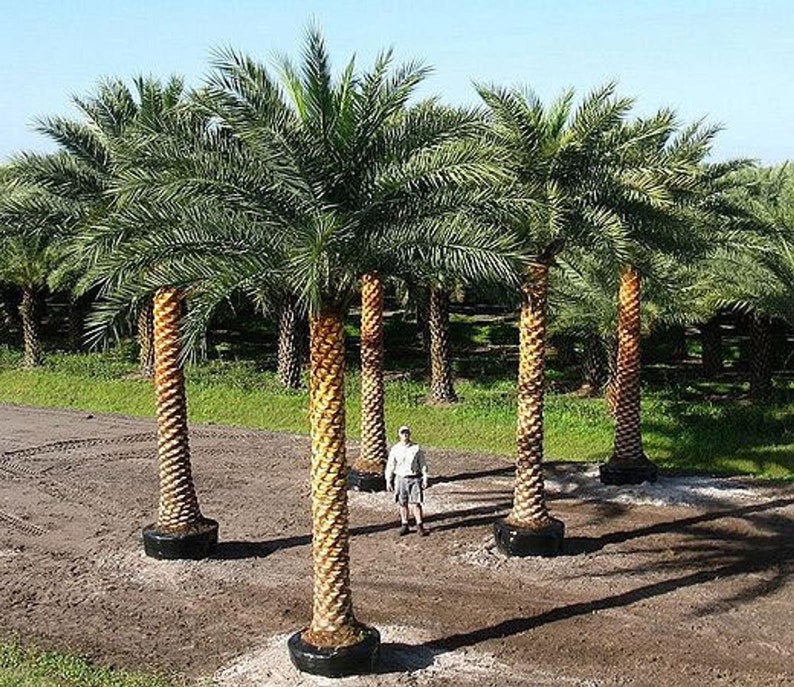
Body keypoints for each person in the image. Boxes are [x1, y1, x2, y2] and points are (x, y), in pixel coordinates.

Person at [385, 425, 429, 536]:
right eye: (403, 433)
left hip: (414, 478)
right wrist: (388, 480)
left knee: (416, 503)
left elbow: (423, 464)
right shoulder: (395, 449)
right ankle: (405, 524)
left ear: (409, 434)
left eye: (407, 433)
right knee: (402, 503)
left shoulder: (416, 448)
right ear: (399, 435)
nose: (405, 435)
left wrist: (425, 478)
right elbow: (391, 465)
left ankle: (420, 525)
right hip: (400, 479)